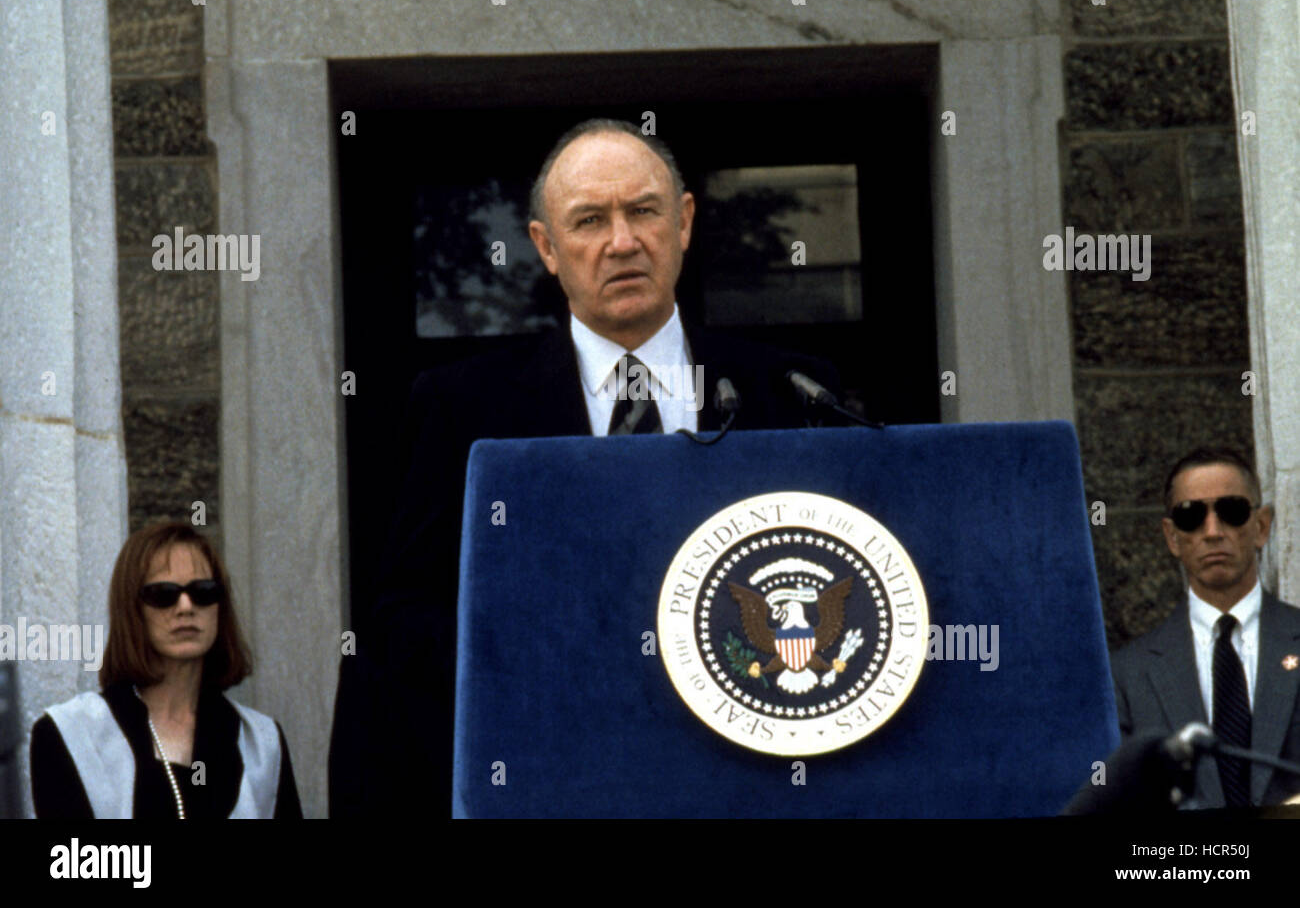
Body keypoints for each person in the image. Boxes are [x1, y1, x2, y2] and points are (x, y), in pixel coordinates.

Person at [329, 118, 845, 816]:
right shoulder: (463, 407)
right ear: (545, 245)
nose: (622, 242)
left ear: (685, 221)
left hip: (754, 784)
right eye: (589, 220)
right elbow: (405, 629)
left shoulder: (793, 392)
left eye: (643, 211)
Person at [30, 522, 301, 818]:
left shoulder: (262, 742)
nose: (185, 606)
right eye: (163, 594)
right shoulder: (71, 734)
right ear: (133, 609)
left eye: (203, 591)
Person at [1111, 447, 1300, 808]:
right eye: (1190, 516)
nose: (1212, 531)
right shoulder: (1127, 676)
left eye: (1231, 511)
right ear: (1171, 537)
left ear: (1260, 526)